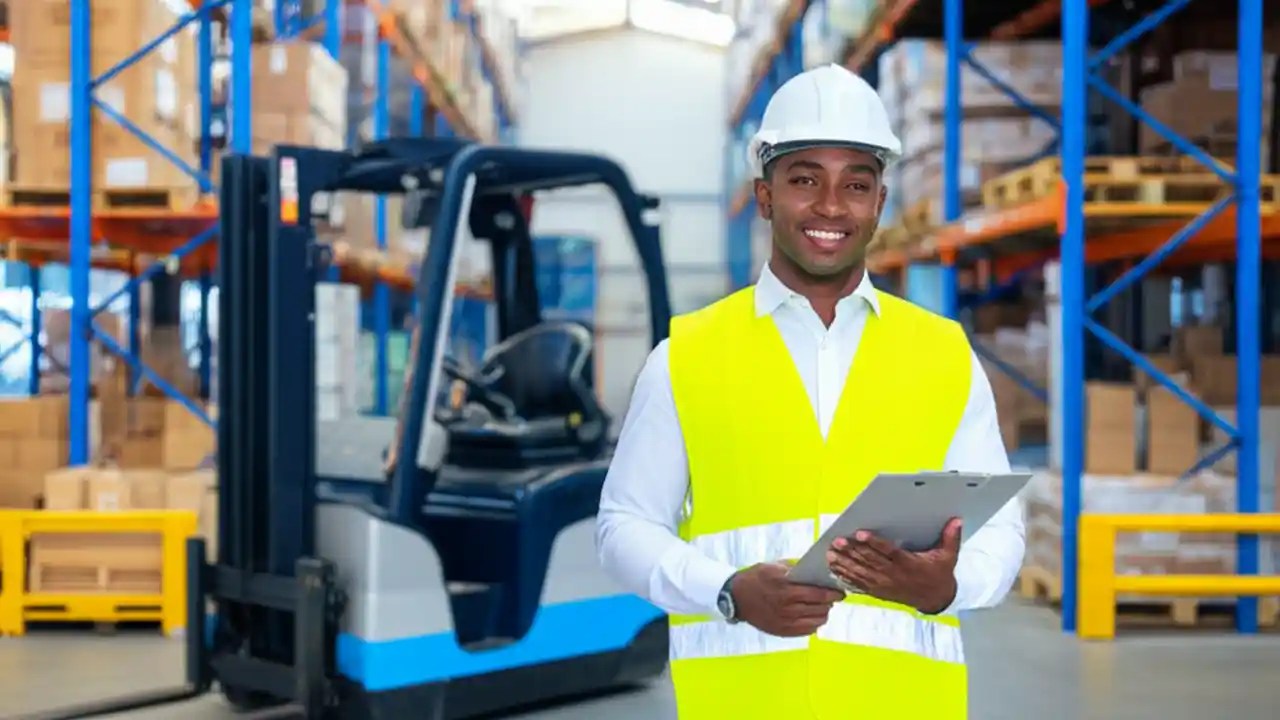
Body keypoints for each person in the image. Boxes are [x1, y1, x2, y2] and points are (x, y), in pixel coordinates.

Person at [595, 63, 1026, 719]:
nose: (831, 207)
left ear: (880, 202)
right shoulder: (686, 355)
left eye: (856, 185)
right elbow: (623, 526)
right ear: (765, 195)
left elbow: (1000, 533)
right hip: (742, 705)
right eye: (805, 181)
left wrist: (949, 584)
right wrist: (729, 590)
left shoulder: (942, 354)